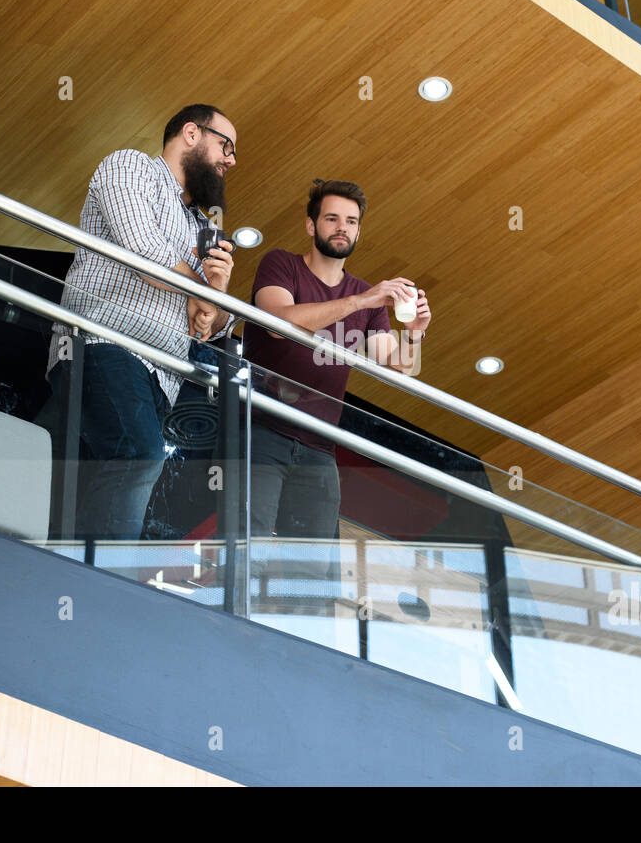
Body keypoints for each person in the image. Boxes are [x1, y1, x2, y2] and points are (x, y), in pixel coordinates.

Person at [46, 104, 238, 539]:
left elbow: (218, 328)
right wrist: (198, 289)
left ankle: (73, 574)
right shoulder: (132, 167)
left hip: (161, 378)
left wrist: (217, 296)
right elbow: (143, 253)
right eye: (225, 146)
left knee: (112, 474)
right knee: (139, 455)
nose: (231, 161)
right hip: (101, 344)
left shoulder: (203, 229)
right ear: (191, 133)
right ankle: (105, 586)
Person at [243, 178, 433, 546]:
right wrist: (359, 302)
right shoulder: (282, 264)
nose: (342, 227)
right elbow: (280, 324)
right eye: (332, 218)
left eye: (351, 221)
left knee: (316, 567)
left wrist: (414, 332)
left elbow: (395, 368)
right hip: (260, 429)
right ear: (311, 226)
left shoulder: (367, 296)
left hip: (320, 445)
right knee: (250, 545)